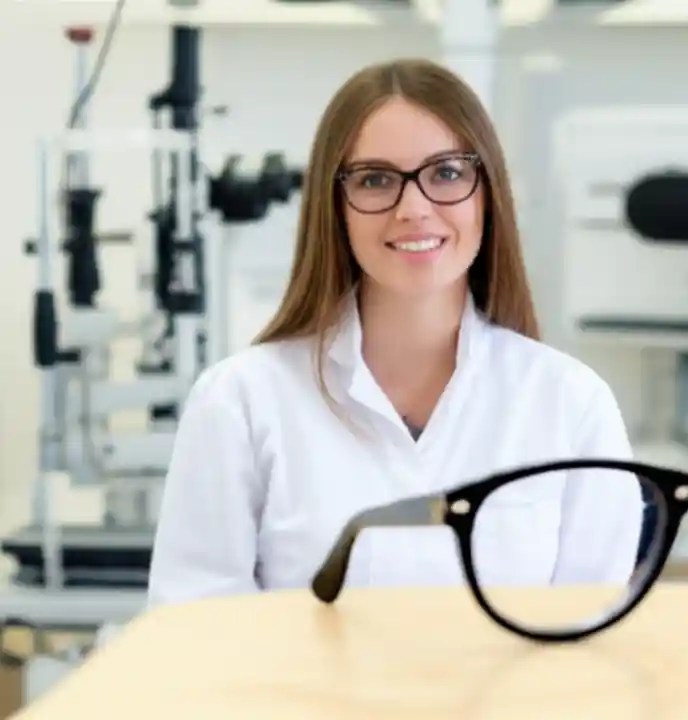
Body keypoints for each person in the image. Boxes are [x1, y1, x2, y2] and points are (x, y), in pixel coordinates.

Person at [146, 58, 644, 606]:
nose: (414, 208)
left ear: (489, 193)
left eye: (447, 174)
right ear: (334, 207)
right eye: (376, 180)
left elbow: (590, 636)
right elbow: (194, 636)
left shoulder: (571, 403)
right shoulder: (240, 401)